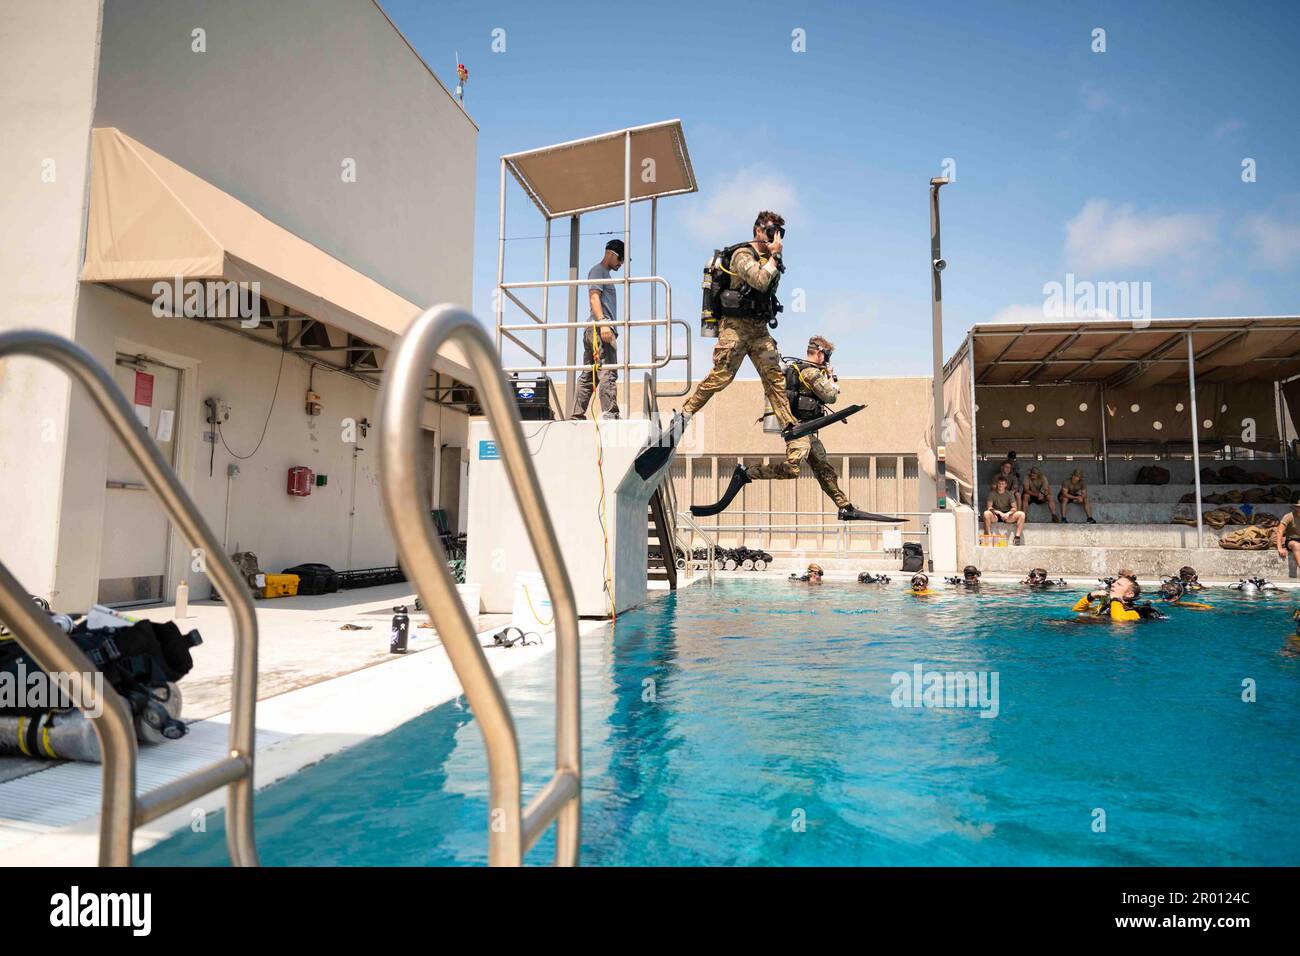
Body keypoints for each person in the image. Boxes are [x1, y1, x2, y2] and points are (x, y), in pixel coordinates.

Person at [739, 336, 878, 521]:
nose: (827, 360)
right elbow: (830, 396)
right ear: (820, 353)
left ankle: (845, 506)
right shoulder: (810, 373)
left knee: (824, 469)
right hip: (798, 430)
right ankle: (747, 472)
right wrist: (832, 380)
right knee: (792, 470)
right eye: (826, 356)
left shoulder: (802, 370)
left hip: (809, 431)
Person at [569, 239, 624, 420]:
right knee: (607, 369)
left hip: (595, 329)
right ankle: (610, 414)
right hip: (600, 328)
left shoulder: (603, 274)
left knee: (590, 373)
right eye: (620, 259)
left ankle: (577, 415)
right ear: (611, 254)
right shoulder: (598, 271)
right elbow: (594, 298)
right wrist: (603, 323)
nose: (621, 264)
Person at [1072, 574, 1161, 621]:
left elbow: (1119, 620)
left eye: (1119, 584)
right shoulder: (1107, 607)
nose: (1113, 584)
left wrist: (1115, 599)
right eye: (1114, 582)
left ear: (1129, 594)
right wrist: (1091, 595)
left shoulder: (1136, 611)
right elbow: (1077, 610)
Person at [983, 476, 1026, 544]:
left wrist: (1008, 513)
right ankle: (988, 535)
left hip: (1007, 515)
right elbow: (989, 507)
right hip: (995, 515)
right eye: (999, 483)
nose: (1000, 485)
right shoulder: (992, 493)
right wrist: (1000, 513)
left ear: (1005, 485)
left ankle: (1017, 537)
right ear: (997, 484)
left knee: (1022, 514)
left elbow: (1014, 508)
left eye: (1002, 484)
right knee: (986, 513)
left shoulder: (1009, 494)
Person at [1272, 497, 1300, 565]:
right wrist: (1280, 548)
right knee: (1297, 545)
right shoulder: (1289, 516)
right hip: (1292, 540)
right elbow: (1280, 531)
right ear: (1298, 508)